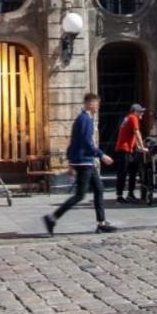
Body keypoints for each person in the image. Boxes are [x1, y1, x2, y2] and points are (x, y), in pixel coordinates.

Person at [44, 93, 116, 235]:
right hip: (84, 162)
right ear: (90, 104)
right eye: (97, 104)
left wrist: (71, 162)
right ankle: (52, 218)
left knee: (99, 189)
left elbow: (73, 143)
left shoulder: (82, 119)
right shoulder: (85, 120)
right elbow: (86, 142)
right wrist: (102, 155)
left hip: (85, 161)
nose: (98, 107)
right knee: (80, 195)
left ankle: (101, 223)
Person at [113, 103, 147, 203]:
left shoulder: (128, 118)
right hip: (124, 149)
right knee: (123, 173)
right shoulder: (133, 117)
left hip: (128, 149)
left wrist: (139, 147)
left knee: (132, 171)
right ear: (135, 111)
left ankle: (130, 193)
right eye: (141, 111)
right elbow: (137, 132)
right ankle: (119, 196)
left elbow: (131, 135)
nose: (142, 113)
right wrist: (143, 147)